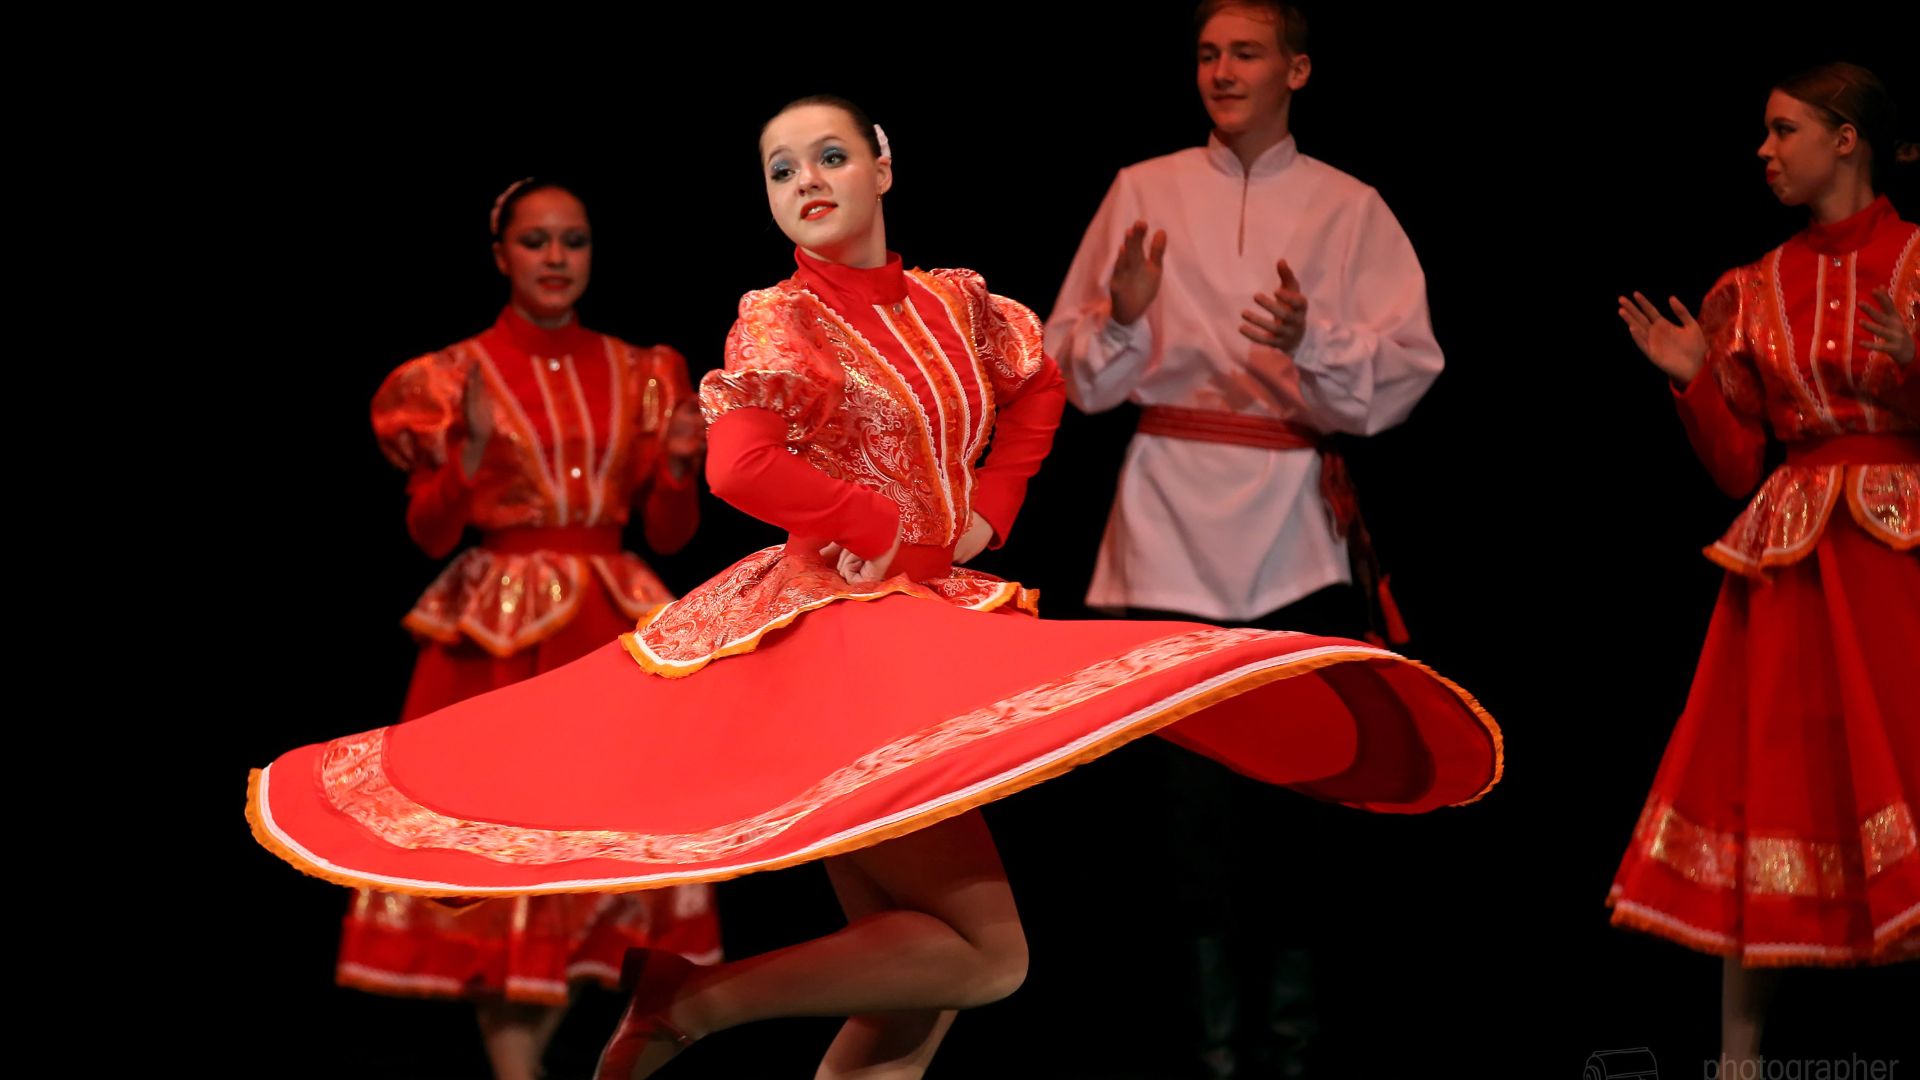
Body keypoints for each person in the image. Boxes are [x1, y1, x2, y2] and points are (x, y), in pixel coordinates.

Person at [249, 97, 1503, 1080]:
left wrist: (991, 511)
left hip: (922, 623)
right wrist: (891, 526)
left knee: (916, 1000)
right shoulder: (780, 322)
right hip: (841, 638)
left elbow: (1041, 387)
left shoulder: (962, 302)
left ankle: (697, 1009)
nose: (808, 183)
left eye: (830, 157)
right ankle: (692, 1001)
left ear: (883, 166)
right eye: (782, 170)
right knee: (989, 963)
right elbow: (740, 463)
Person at [1041, 4, 1443, 1072]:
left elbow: (1408, 372)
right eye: (1209, 54)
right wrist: (1125, 315)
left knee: (1304, 804)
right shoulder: (1145, 188)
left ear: (1297, 69)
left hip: (1295, 531)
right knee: (1184, 817)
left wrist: (1316, 339)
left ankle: (1295, 1048)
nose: (1222, 70)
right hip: (1167, 521)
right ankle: (1209, 1055)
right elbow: (1074, 371)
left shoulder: (1349, 207)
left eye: (1247, 53)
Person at [338, 177, 720, 1080]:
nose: (557, 259)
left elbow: (668, 533)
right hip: (497, 638)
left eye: (574, 242)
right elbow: (427, 532)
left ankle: (589, 1049)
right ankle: (518, 1065)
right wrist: (466, 454)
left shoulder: (642, 371)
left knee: (605, 837)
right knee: (498, 836)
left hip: (606, 623)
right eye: (538, 242)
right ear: (502, 253)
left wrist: (674, 468)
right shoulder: (443, 378)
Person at [1610, 62, 1918, 1071]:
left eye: (1784, 130)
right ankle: (1740, 1061)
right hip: (1789, 567)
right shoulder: (1754, 287)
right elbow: (1739, 464)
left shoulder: (1919, 263)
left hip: (1897, 564)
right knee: (1768, 790)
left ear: (1845, 139)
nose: (1765, 149)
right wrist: (1699, 378)